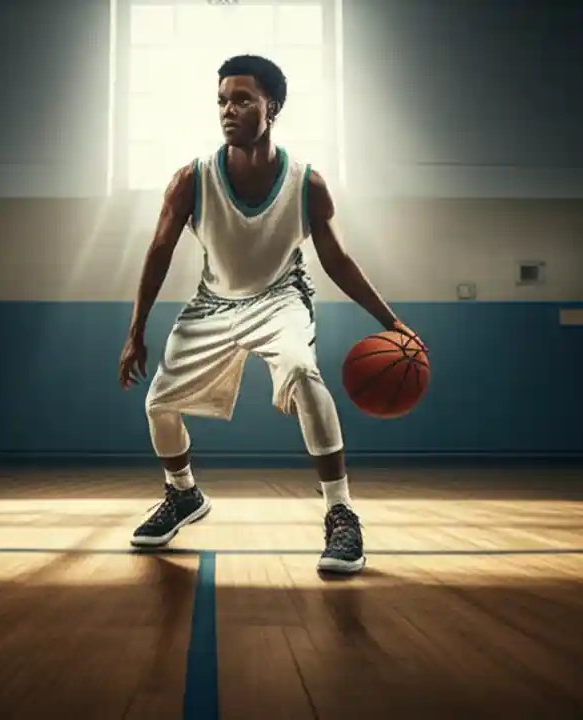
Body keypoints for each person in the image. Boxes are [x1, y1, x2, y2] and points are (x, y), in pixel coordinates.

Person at [117, 54, 423, 574]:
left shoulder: (307, 183)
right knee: (158, 405)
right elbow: (159, 251)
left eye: (242, 100)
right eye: (222, 100)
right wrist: (136, 331)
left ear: (272, 107)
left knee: (303, 373)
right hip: (213, 302)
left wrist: (389, 321)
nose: (228, 110)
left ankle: (341, 513)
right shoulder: (191, 179)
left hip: (281, 297)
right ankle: (183, 494)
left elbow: (337, 260)